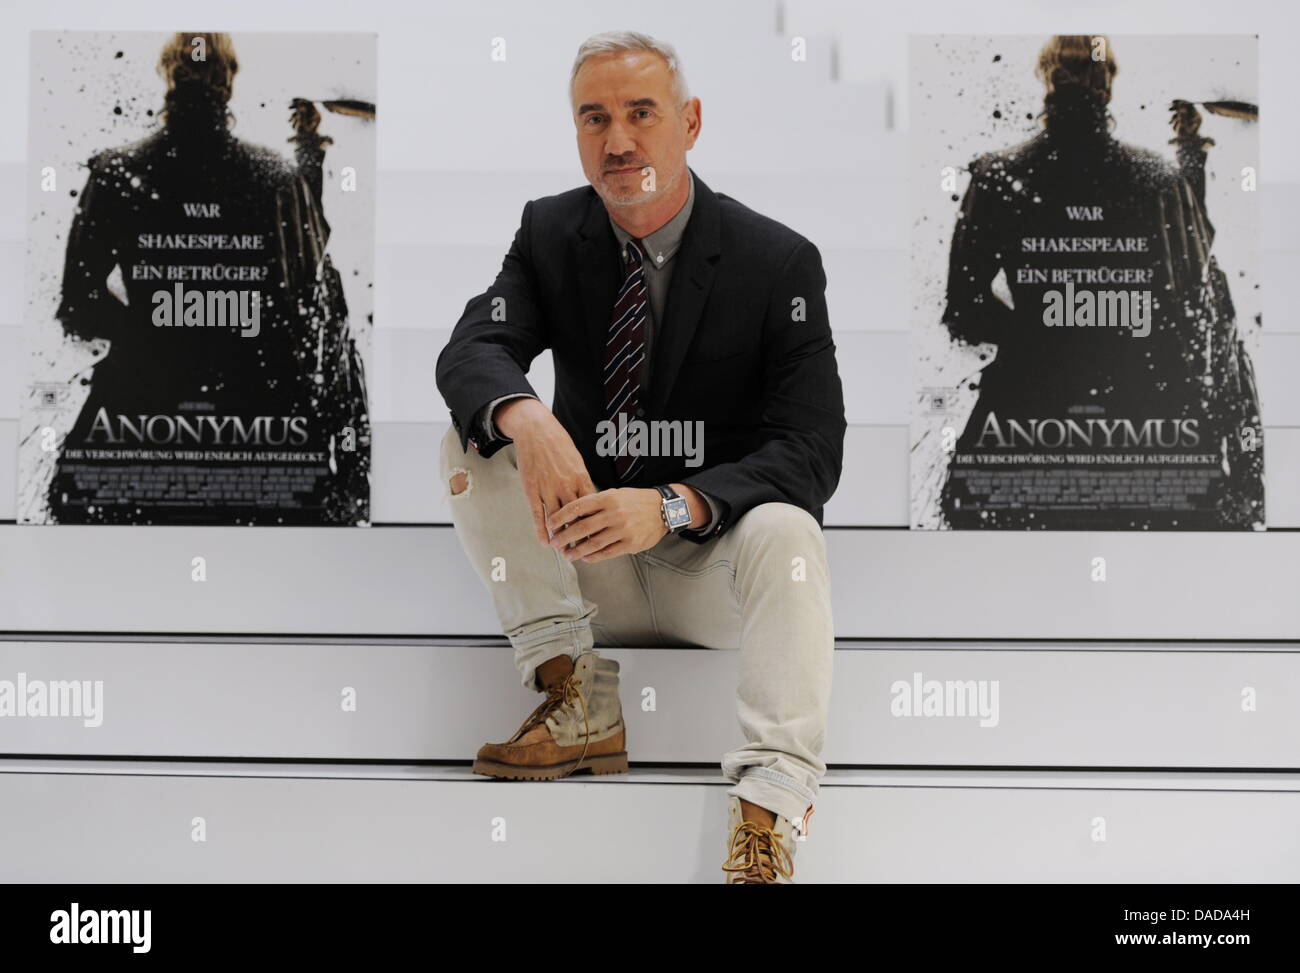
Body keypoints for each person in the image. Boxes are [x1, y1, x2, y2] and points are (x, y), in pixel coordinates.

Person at [435, 31, 845, 883]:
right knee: (472, 430)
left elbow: (811, 452)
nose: (617, 141)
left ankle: (769, 811)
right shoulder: (550, 231)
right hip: (589, 567)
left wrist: (670, 503)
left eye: (640, 114)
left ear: (689, 123)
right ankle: (574, 692)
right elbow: (473, 348)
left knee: (790, 531)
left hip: (708, 568)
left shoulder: (777, 262)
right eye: (594, 118)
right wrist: (532, 420)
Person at [938, 34, 1263, 529]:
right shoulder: (1158, 180)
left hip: (1024, 428)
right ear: (1107, 87)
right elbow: (1191, 282)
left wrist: (1043, 333)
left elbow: (962, 311)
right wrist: (1188, 154)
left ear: (1045, 80)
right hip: (1147, 430)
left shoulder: (997, 176)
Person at [49, 31, 369, 525]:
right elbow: (307, 288)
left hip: (137, 417)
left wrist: (153, 330)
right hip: (260, 426)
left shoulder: (116, 172)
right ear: (230, 80)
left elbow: (77, 304)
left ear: (166, 74)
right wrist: (308, 153)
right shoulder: (276, 177)